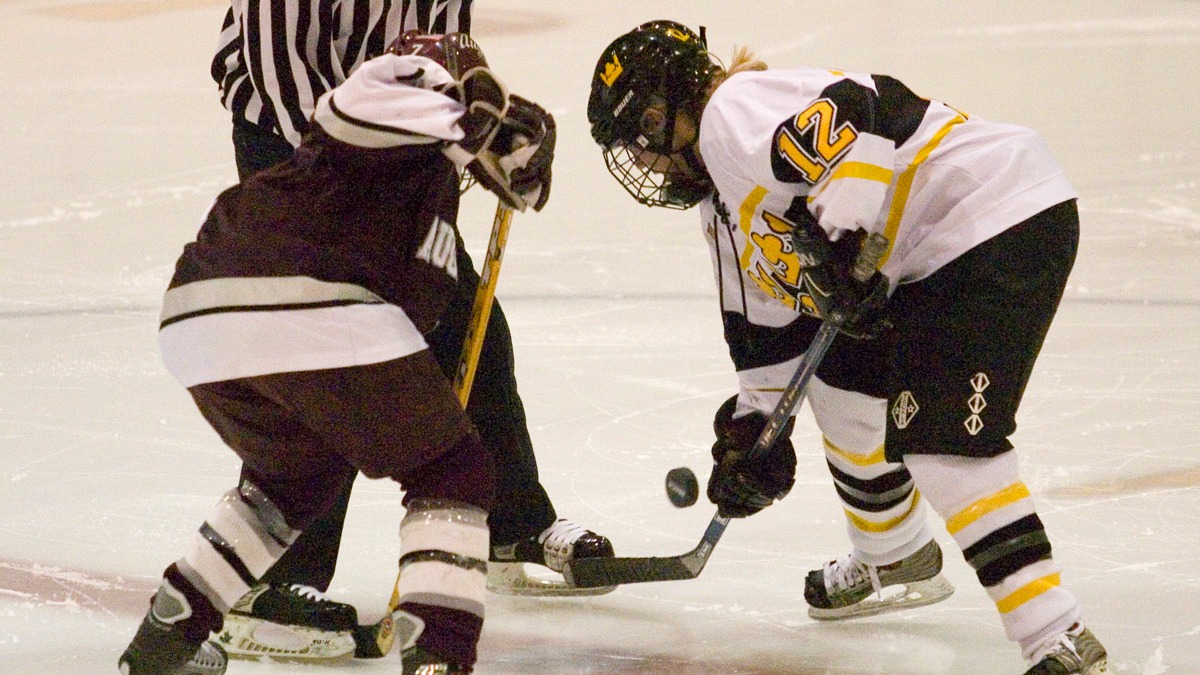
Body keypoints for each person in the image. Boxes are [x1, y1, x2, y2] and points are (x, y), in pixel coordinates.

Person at [586, 20, 1108, 675]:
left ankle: (1057, 633)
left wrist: (845, 236)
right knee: (842, 383)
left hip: (990, 216)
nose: (646, 166)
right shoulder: (722, 206)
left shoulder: (731, 113)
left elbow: (864, 110)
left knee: (944, 445)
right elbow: (769, 341)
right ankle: (894, 552)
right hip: (937, 255)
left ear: (665, 114)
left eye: (639, 142)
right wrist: (753, 438)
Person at [119, 34, 557, 675]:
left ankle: (168, 636)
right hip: (297, 299)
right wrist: (468, 119)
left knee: (291, 485)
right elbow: (364, 104)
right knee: (454, 471)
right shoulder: (389, 88)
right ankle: (439, 657)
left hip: (201, 317)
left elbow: (396, 333)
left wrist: (492, 157)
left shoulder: (422, 191)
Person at [208, 0, 614, 660]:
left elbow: (445, 55)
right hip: (290, 138)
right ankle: (269, 577)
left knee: (459, 316)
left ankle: (508, 523)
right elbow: (283, 75)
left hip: (388, 134)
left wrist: (484, 138)